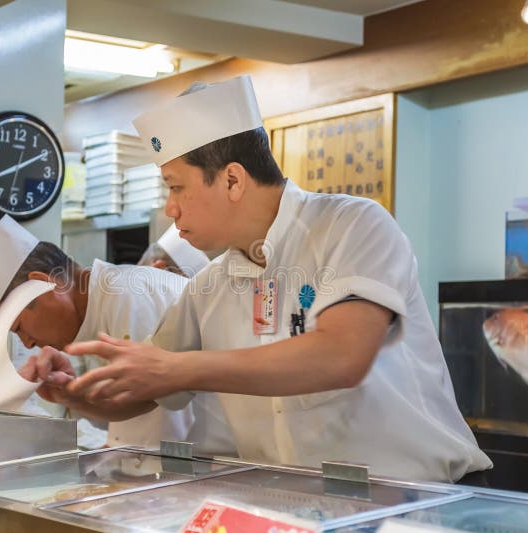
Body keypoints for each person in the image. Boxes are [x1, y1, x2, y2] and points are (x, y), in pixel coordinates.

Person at [28, 75, 493, 483]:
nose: (170, 209)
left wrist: (180, 367)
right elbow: (147, 392)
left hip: (417, 500)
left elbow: (342, 355)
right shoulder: (209, 287)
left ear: (232, 180)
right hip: (301, 506)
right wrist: (76, 394)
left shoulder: (351, 224)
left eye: (176, 187)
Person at [0, 215, 234, 455]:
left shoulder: (127, 296)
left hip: (223, 471)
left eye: (19, 327)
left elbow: (160, 431)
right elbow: (133, 408)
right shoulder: (102, 309)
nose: (27, 342)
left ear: (42, 285)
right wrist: (72, 397)